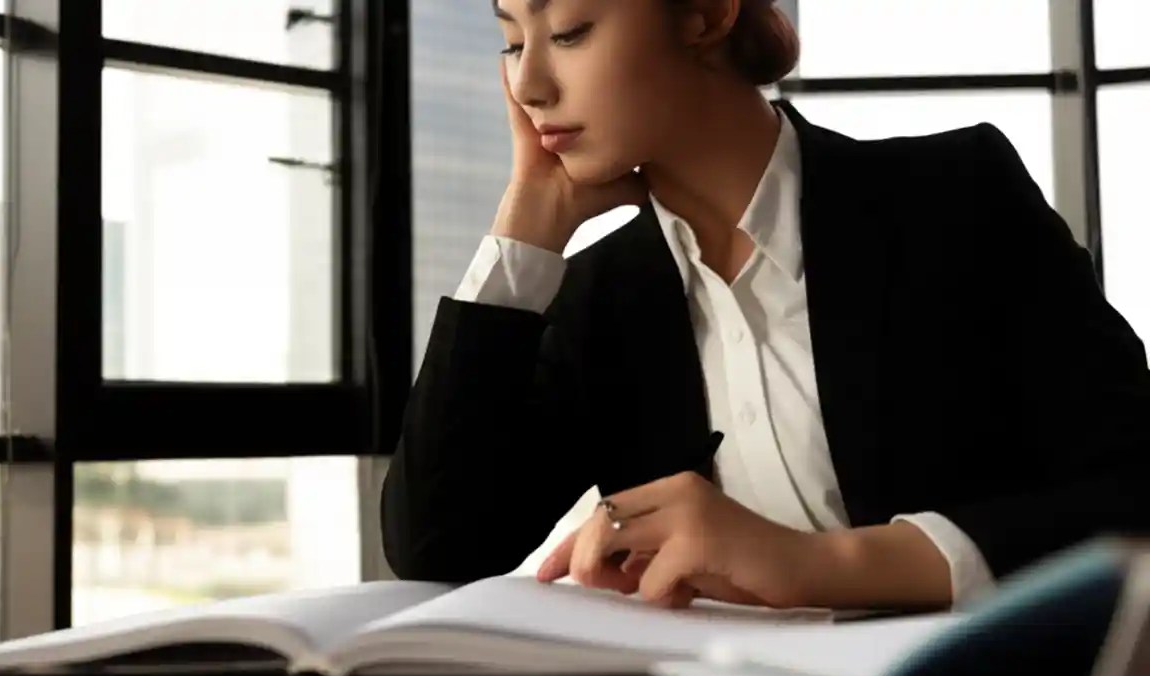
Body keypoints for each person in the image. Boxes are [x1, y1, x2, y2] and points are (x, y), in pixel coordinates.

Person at [381, 0, 1150, 611]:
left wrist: (820, 564)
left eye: (570, 31)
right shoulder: (601, 297)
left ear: (709, 14)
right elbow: (438, 549)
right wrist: (524, 230)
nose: (531, 84)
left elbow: (1131, 491)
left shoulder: (956, 196)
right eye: (514, 42)